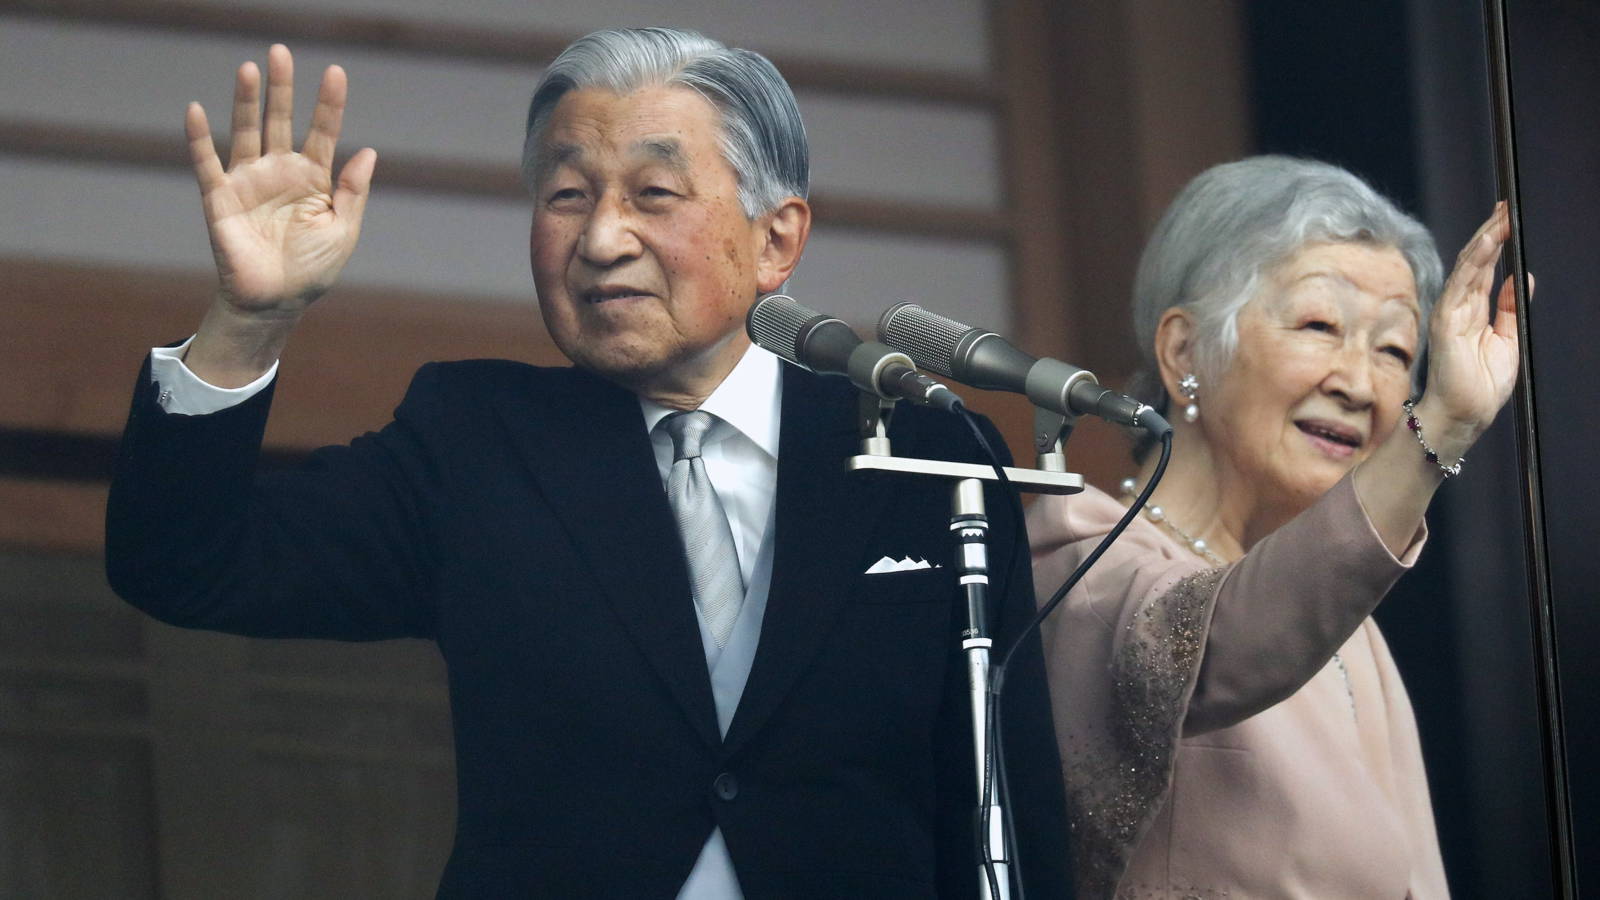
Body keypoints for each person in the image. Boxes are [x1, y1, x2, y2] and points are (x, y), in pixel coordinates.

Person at [104, 28, 1070, 898]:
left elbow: (1005, 795)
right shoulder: (474, 442)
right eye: (568, 195)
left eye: (654, 194)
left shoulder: (925, 452)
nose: (603, 239)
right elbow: (186, 563)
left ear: (777, 240)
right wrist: (250, 319)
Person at [1027, 156, 1520, 898]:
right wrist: (1441, 425)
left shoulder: (1351, 628)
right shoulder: (1085, 557)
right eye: (1321, 325)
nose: (1358, 384)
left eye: (1394, 350)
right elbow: (1214, 642)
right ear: (1184, 350)